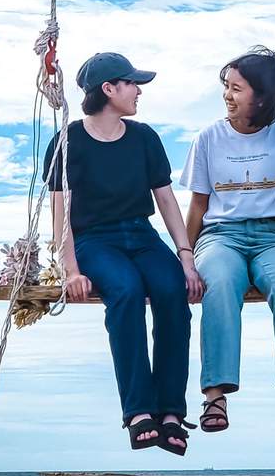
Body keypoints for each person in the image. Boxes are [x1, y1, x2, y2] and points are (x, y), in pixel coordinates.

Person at [45, 52, 205, 454]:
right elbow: (60, 213)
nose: (138, 91)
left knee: (172, 290)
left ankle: (170, 411)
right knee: (126, 291)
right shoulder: (68, 141)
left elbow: (167, 201)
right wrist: (70, 270)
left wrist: (185, 258)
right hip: (94, 240)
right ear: (109, 89)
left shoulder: (145, 136)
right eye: (132, 84)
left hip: (141, 235)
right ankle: (138, 412)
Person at [181, 46, 275, 435]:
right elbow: (197, 205)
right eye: (226, 87)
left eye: (236, 88)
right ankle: (215, 396)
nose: (227, 95)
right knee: (221, 282)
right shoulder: (209, 138)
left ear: (261, 97)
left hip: (268, 234)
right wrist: (185, 259)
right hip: (220, 236)